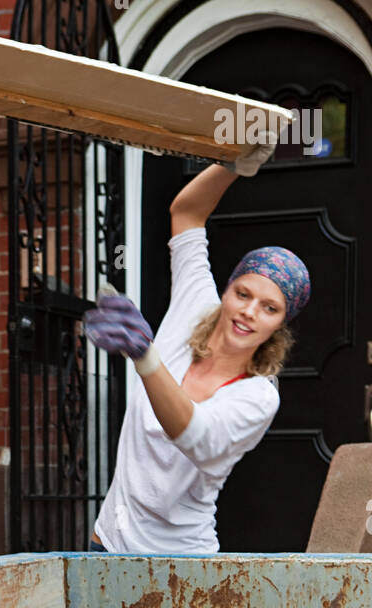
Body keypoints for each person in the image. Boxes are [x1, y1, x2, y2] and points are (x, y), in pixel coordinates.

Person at [86, 151, 310, 556]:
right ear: (227, 290)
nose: (248, 311)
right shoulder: (196, 302)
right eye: (243, 293)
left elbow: (193, 433)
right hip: (108, 542)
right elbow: (186, 213)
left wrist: (145, 357)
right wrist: (234, 164)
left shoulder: (258, 397)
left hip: (182, 563)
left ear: (280, 323)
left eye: (269, 307)